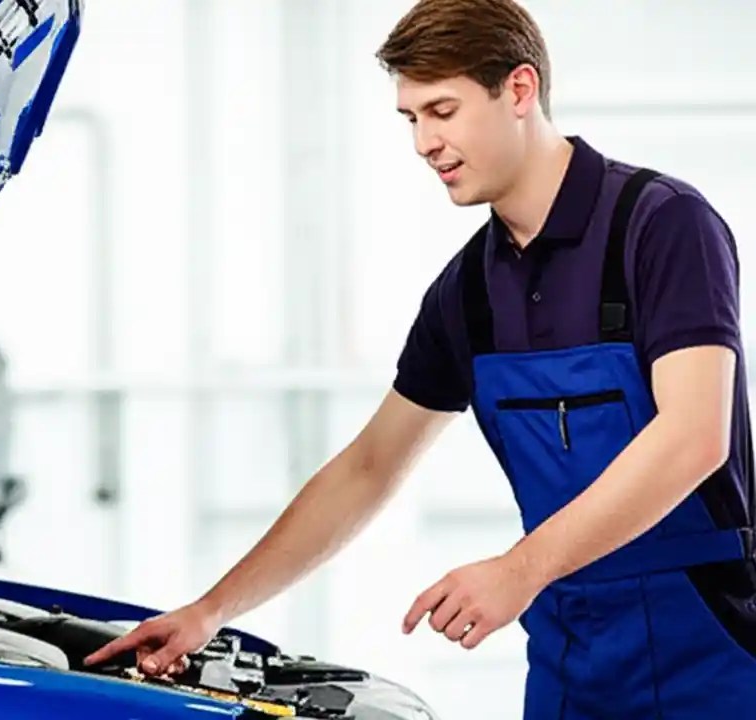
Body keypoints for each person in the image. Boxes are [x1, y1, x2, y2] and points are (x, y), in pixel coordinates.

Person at [84, 0, 756, 716]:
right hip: (572, 657)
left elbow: (692, 439)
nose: (423, 142)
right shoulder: (468, 294)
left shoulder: (660, 227)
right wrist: (212, 611)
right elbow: (368, 466)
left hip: (711, 651)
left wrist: (518, 570)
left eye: (442, 110)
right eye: (411, 119)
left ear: (520, 92)